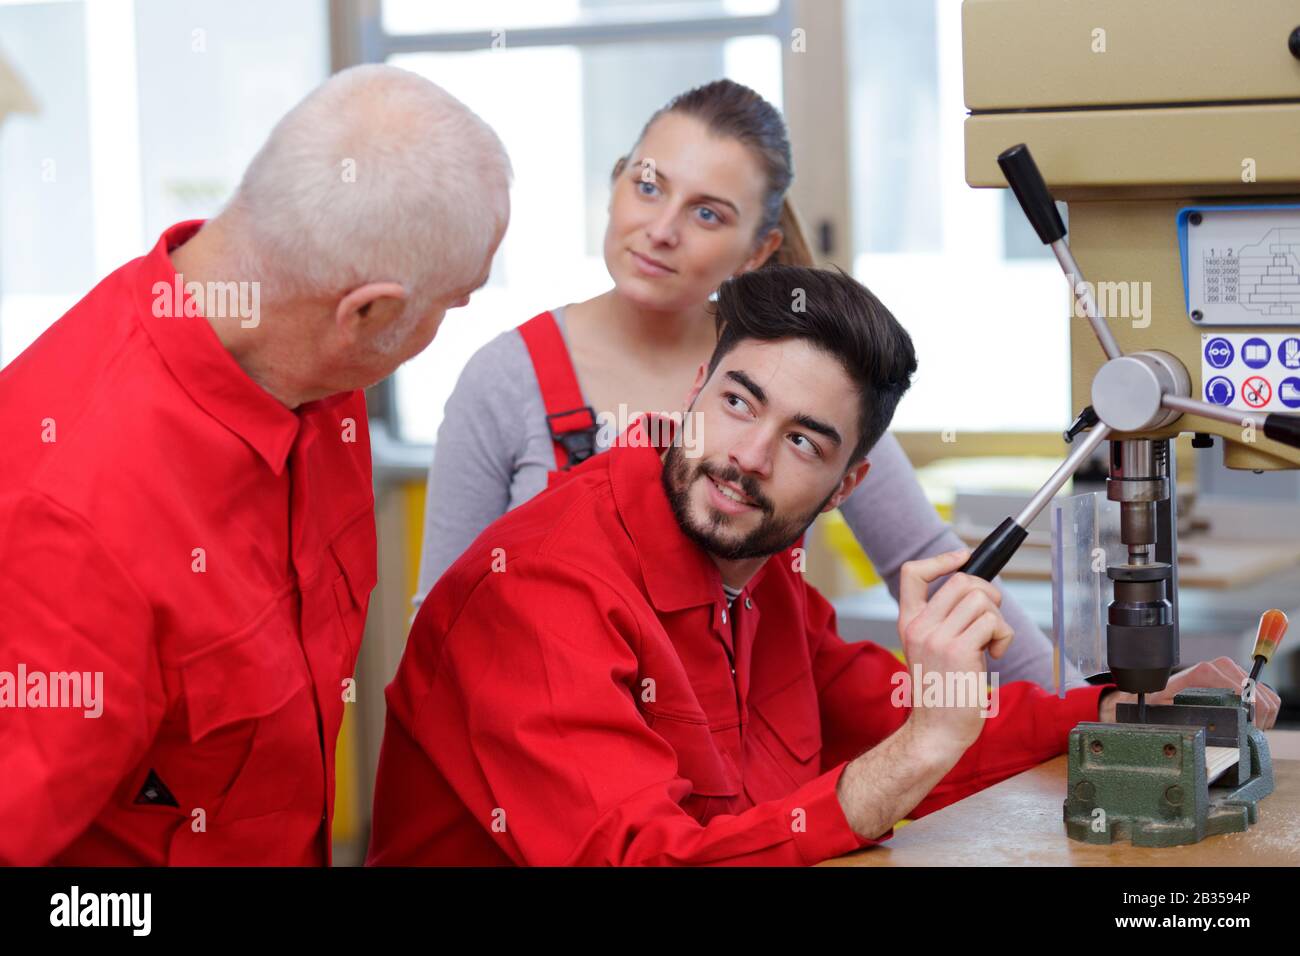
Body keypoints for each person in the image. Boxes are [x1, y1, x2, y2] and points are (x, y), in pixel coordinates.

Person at [367, 266, 1278, 866]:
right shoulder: (540, 592)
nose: (747, 456)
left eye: (802, 440)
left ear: (848, 484)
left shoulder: (756, 579)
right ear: (695, 392)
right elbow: (643, 860)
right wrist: (919, 749)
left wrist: (1119, 710)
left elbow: (901, 719)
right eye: (737, 401)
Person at [0, 64, 511, 865]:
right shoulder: (63, 517)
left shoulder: (318, 371)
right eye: (455, 301)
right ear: (367, 313)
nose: (456, 319)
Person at [415, 78, 1063, 689]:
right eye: (647, 187)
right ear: (615, 183)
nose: (661, 230)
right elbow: (439, 620)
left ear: (759, 249)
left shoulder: (797, 368)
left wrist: (1081, 709)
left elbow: (925, 561)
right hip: (558, 768)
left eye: (708, 215)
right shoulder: (506, 378)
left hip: (752, 777)